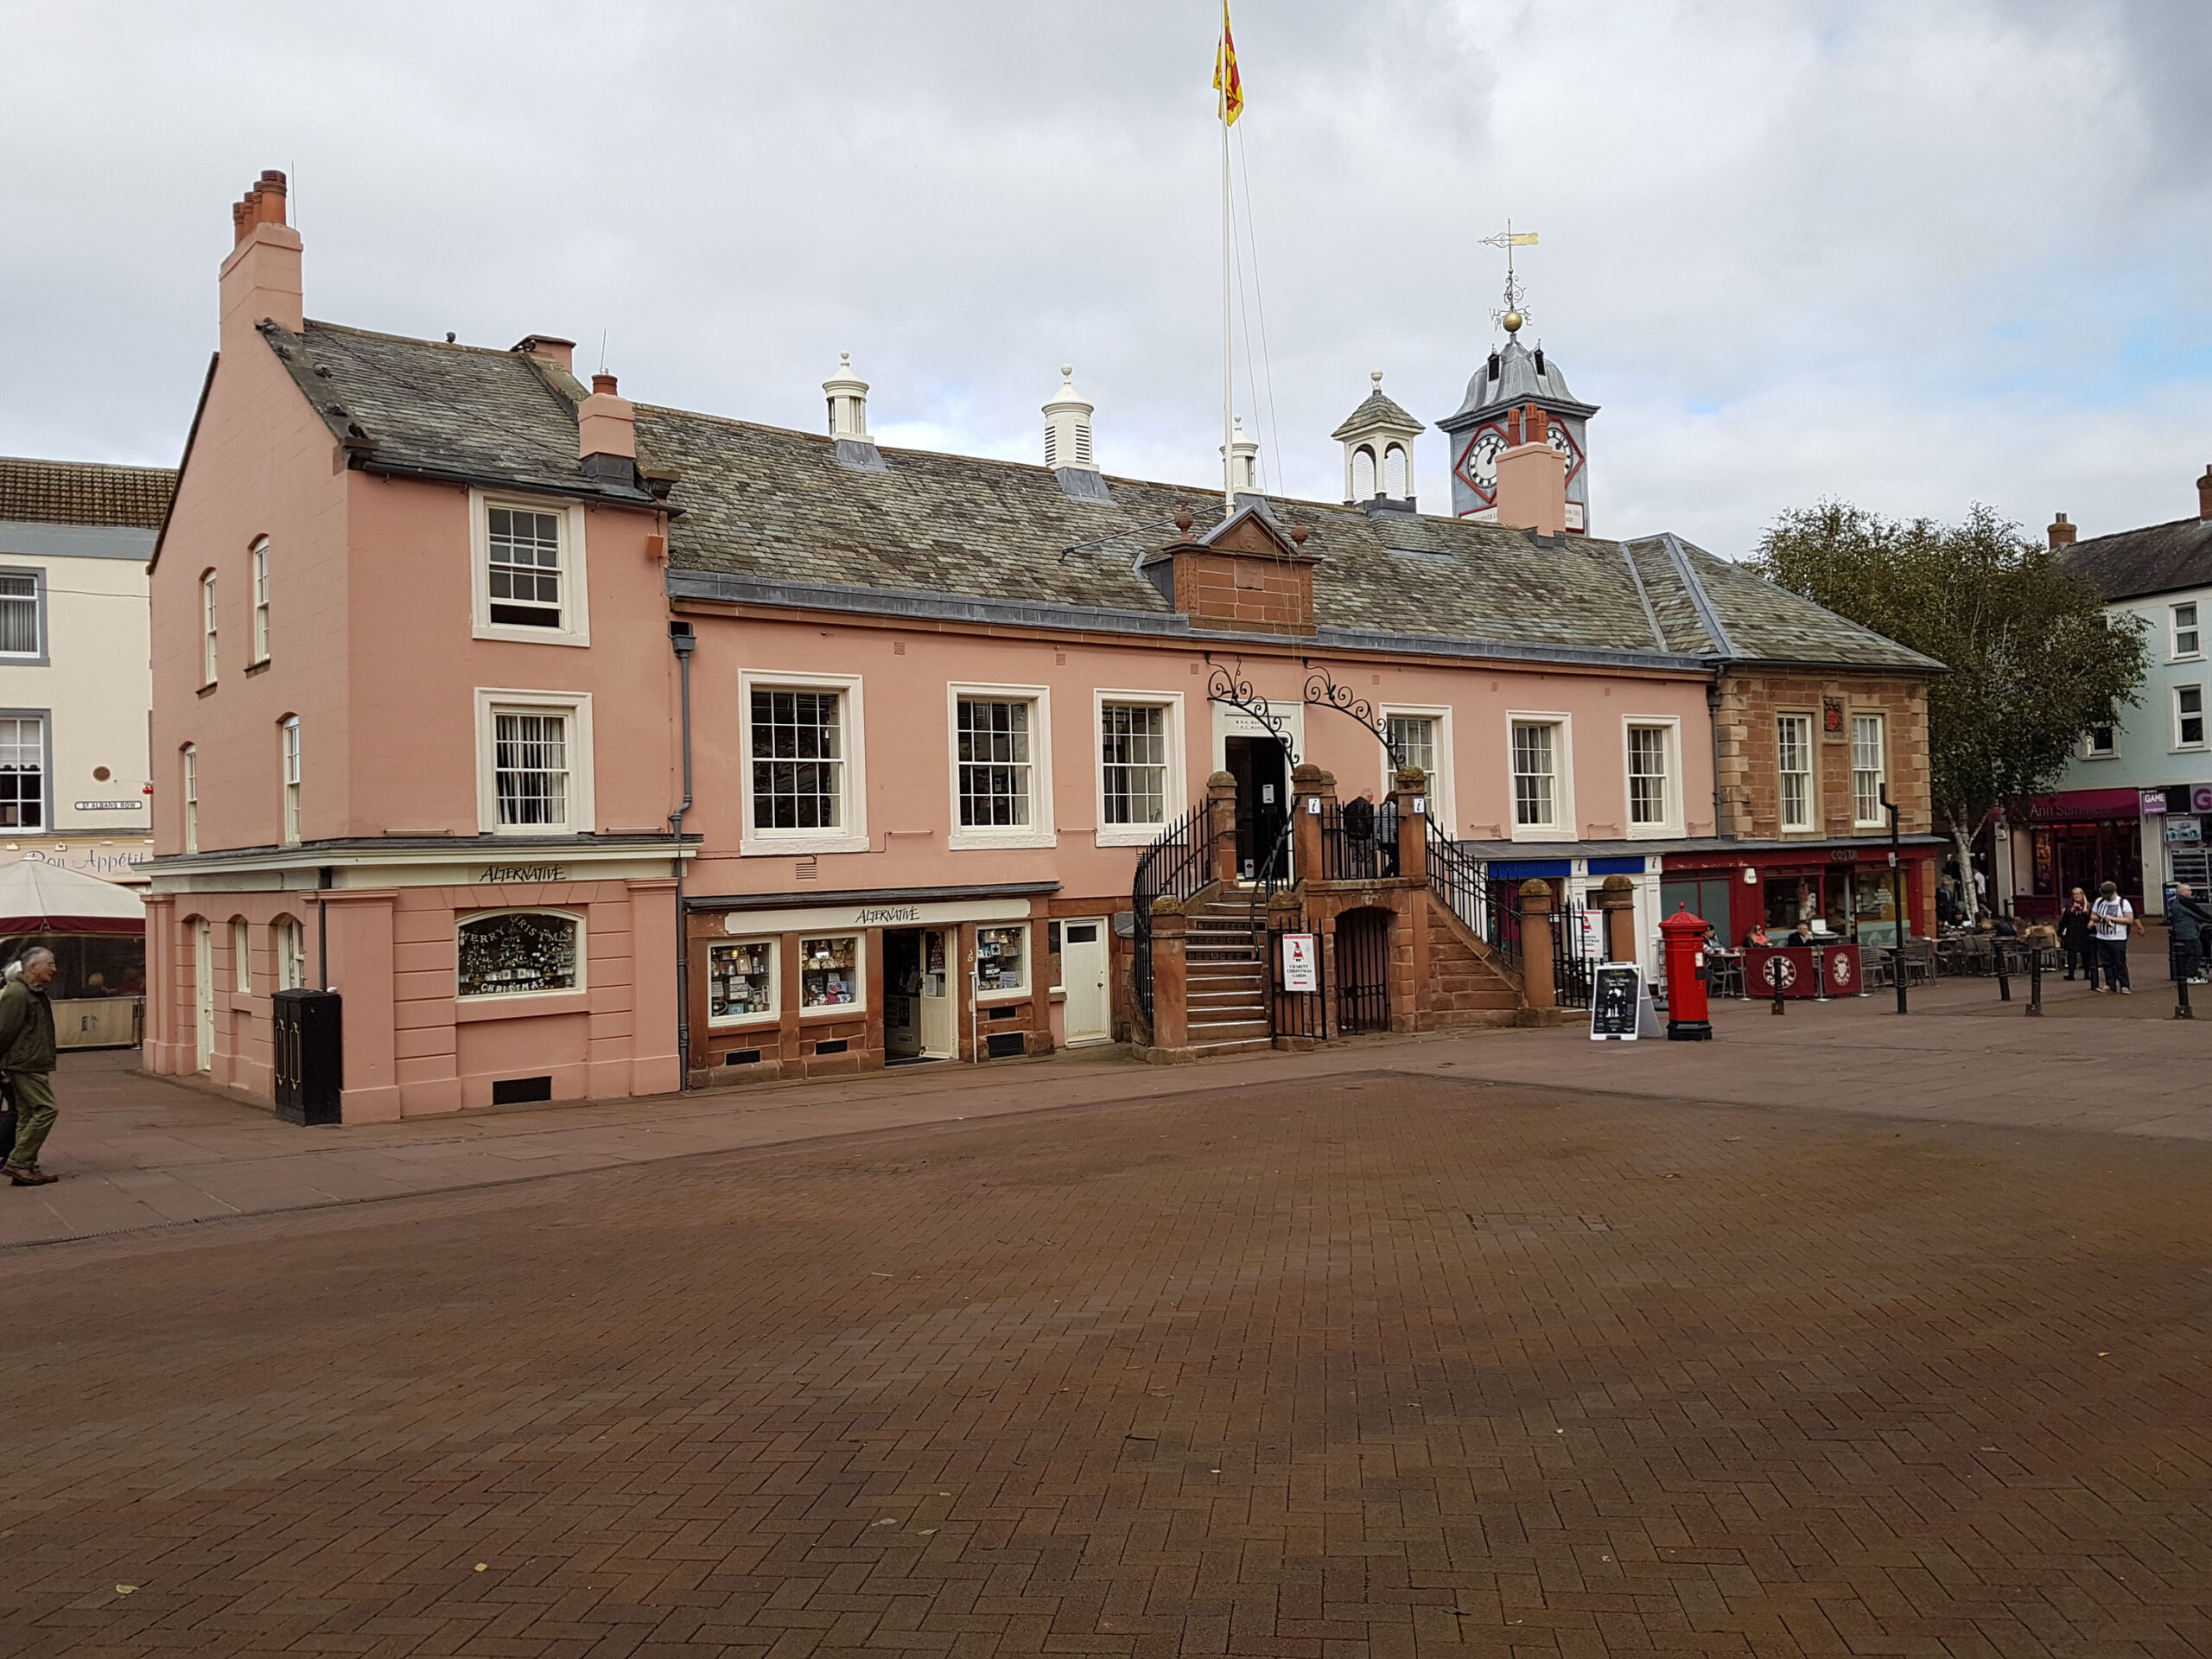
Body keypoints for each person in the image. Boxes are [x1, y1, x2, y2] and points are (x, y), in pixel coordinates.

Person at [0, 946, 60, 1186]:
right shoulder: (18, 993)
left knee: (27, 1113)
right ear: (33, 967)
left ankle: (26, 1167)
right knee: (47, 1109)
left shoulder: (31, 991)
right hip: (24, 1063)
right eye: (50, 964)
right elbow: (4, 1031)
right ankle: (18, 1162)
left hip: (29, 1061)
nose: (54, 969)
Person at [2091, 880, 2135, 995]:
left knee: (2120, 962)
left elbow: (2129, 919)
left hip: (2118, 938)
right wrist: (2100, 918)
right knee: (2107, 962)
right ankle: (2110, 984)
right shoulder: (2099, 901)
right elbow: (2093, 916)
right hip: (2102, 936)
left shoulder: (2123, 902)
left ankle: (2124, 985)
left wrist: (2112, 919)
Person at [2169, 882, 2212, 985]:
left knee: (2189, 954)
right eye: (2189, 890)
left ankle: (2192, 974)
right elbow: (2199, 913)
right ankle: (2190, 975)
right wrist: (2209, 919)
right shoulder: (2185, 903)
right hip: (2188, 933)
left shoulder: (2176, 902)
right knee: (2196, 953)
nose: (2191, 892)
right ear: (2182, 892)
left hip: (2182, 932)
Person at [2057, 888, 2097, 985]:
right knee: (2071, 955)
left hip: (2084, 933)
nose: (2076, 896)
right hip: (2072, 934)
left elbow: (2093, 919)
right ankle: (2071, 974)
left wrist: (2093, 929)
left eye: (2078, 894)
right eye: (2074, 894)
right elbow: (2063, 922)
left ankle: (2087, 974)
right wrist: (2059, 934)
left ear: (2082, 895)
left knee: (2086, 955)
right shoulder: (2069, 909)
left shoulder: (2088, 908)